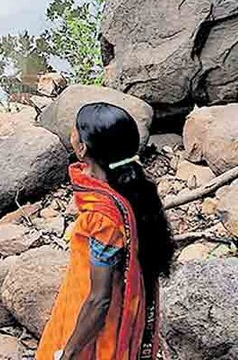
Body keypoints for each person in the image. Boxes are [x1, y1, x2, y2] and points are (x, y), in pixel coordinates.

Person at [37, 102, 175, 360]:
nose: (72, 131)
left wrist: (69, 353)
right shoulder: (128, 187)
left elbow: (99, 300)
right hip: (99, 301)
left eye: (76, 129)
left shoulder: (103, 218)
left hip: (98, 326)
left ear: (82, 148)